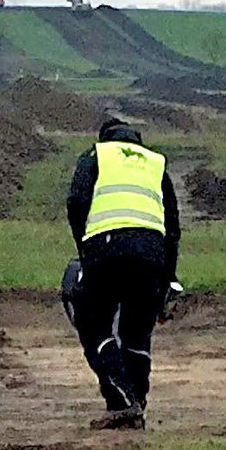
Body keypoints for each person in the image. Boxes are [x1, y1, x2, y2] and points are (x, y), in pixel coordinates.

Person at [62, 116, 181, 429]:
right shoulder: (156, 162)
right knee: (137, 332)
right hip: (151, 256)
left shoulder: (96, 155)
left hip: (106, 250)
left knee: (92, 322)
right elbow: (172, 229)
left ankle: (122, 401)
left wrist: (85, 248)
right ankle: (136, 403)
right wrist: (168, 278)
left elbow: (76, 201)